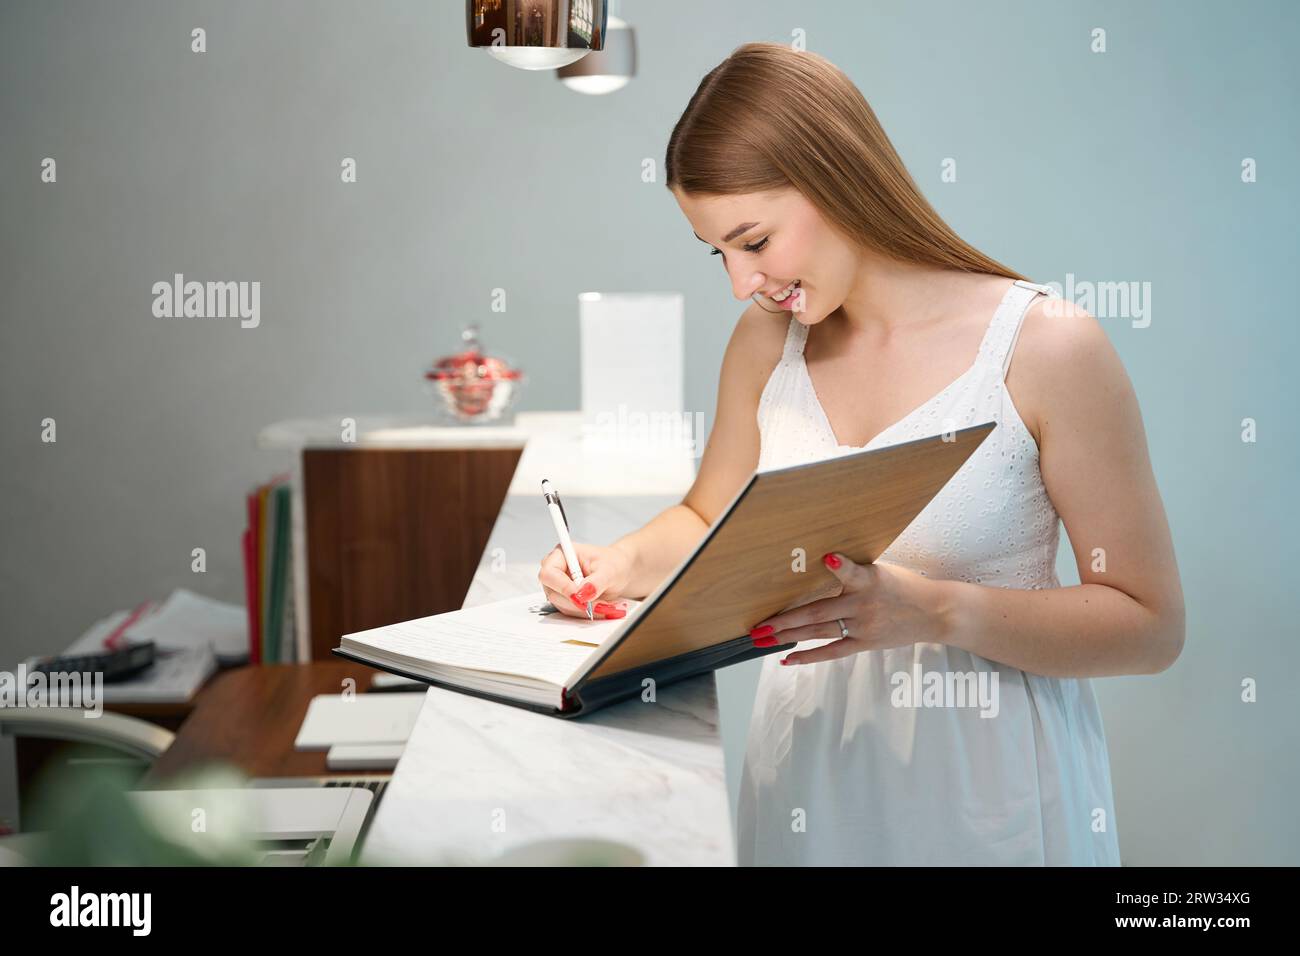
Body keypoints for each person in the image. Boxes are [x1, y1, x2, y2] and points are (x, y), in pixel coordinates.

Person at [536, 42, 1184, 865]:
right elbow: (710, 514)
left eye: (755, 240)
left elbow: (1150, 626)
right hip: (808, 778)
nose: (741, 282)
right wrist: (617, 563)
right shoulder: (767, 342)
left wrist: (939, 612)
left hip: (990, 795)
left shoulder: (1046, 348)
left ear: (835, 176)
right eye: (718, 252)